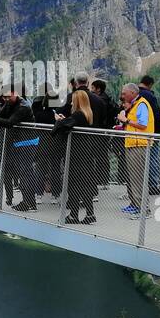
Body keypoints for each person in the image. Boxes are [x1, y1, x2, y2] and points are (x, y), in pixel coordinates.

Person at [0, 85, 38, 211]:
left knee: (25, 172)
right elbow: (1, 115)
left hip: (27, 142)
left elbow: (9, 123)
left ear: (14, 93)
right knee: (24, 172)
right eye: (4, 97)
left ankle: (30, 203)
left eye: (8, 97)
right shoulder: (10, 103)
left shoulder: (23, 107)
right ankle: (28, 202)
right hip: (20, 142)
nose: (6, 99)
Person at [51, 89, 97, 224]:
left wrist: (58, 121)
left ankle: (74, 215)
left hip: (76, 155)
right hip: (86, 154)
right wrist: (65, 121)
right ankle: (89, 214)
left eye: (72, 101)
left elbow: (57, 130)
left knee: (74, 184)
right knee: (85, 184)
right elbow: (70, 123)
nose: (70, 103)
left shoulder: (78, 114)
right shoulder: (87, 114)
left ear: (77, 101)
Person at [117, 83, 154, 218]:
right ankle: (137, 205)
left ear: (133, 93)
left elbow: (143, 125)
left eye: (124, 93)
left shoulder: (142, 104)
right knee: (134, 178)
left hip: (139, 145)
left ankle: (144, 210)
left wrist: (125, 120)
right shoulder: (135, 104)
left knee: (138, 179)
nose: (122, 96)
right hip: (133, 144)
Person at [30, 87, 62, 200]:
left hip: (42, 143)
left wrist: (43, 98)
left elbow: (35, 105)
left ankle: (38, 193)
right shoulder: (58, 115)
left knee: (40, 168)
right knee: (55, 169)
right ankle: (56, 194)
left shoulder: (39, 114)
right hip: (56, 143)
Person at [138, 75, 160, 195]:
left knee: (139, 160)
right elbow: (156, 115)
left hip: (136, 132)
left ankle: (139, 185)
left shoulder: (134, 93)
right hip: (150, 132)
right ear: (150, 84)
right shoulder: (149, 96)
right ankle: (153, 185)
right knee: (153, 158)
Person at [92, 79, 123, 186]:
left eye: (93, 88)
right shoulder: (107, 98)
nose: (91, 90)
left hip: (101, 130)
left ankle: (101, 180)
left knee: (100, 155)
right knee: (102, 155)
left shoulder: (100, 100)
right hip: (106, 130)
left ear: (98, 89)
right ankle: (103, 179)